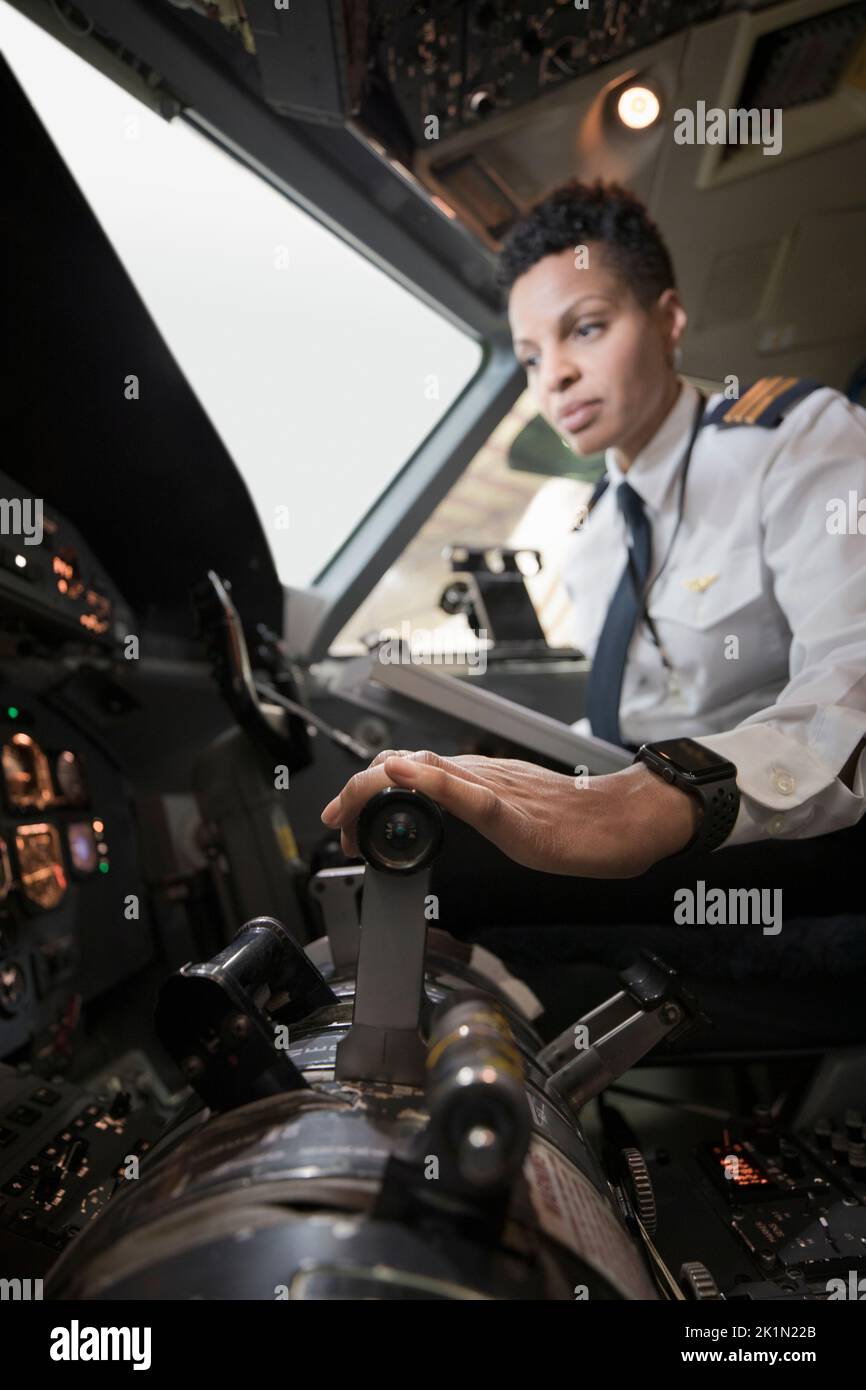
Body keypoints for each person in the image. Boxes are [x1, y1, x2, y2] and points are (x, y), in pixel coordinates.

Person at [321, 180, 866, 1048]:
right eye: (530, 356)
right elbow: (634, 712)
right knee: (401, 827)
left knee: (437, 869)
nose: (556, 375)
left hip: (774, 836)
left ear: (669, 319)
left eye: (584, 328)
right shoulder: (590, 540)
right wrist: (536, 768)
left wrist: (641, 802)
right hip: (642, 795)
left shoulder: (795, 441)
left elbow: (854, 685)